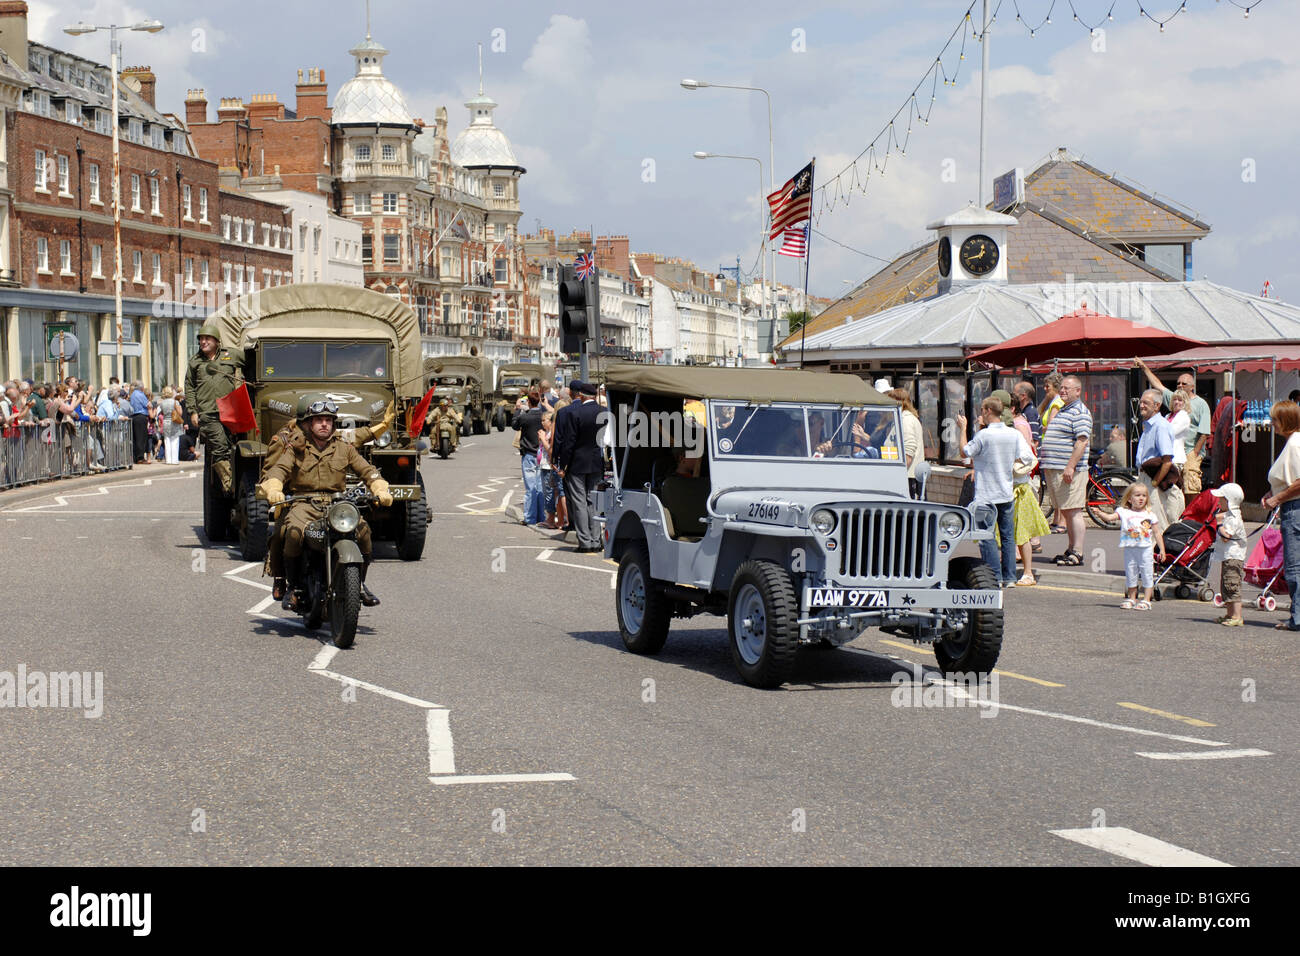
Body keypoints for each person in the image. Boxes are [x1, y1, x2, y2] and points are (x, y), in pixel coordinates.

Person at [257, 395, 393, 610]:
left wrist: (380, 488)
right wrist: (274, 487)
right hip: (304, 502)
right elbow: (279, 469)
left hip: (336, 503)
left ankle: (358, 584)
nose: (324, 424)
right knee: (293, 534)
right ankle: (295, 587)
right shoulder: (296, 447)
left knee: (364, 532)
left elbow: (367, 470)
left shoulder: (344, 447)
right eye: (319, 420)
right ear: (308, 424)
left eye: (328, 420)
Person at [958, 396, 1034, 588]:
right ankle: (1009, 577)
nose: (981, 413)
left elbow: (964, 452)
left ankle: (994, 577)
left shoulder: (984, 436)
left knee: (987, 536)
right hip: (1006, 491)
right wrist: (1008, 465)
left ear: (988, 411)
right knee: (1008, 537)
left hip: (986, 495)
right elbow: (1027, 457)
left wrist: (962, 428)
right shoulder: (1013, 434)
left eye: (982, 409)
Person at [185, 321, 247, 494]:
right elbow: (189, 387)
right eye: (201, 339)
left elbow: (250, 362)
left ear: (217, 341)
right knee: (220, 446)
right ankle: (229, 484)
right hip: (207, 412)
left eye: (207, 339)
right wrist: (192, 411)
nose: (203, 342)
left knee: (230, 446)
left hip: (229, 410)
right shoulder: (195, 362)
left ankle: (236, 481)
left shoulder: (230, 355)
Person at [1137, 361, 1211, 497]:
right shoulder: (1173, 401)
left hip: (1190, 451)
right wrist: (1144, 367)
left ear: (1192, 386)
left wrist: (1194, 454)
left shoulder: (1201, 404)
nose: (1180, 386)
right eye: (1178, 383)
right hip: (1172, 452)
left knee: (1190, 484)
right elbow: (1157, 385)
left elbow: (1204, 433)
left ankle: (1191, 515)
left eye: (1184, 384)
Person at [1041, 375, 1092, 566]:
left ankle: (1077, 551)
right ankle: (1071, 549)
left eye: (1066, 389)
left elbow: (1082, 440)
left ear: (1077, 391)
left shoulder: (1079, 411)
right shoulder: (1063, 409)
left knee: (1073, 511)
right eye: (1061, 388)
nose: (1062, 391)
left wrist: (1070, 466)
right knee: (1067, 511)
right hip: (1056, 468)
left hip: (1070, 470)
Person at [555, 381, 605, 553]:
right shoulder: (604, 412)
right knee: (594, 502)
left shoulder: (575, 413)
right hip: (597, 463)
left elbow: (569, 443)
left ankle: (584, 542)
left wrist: (563, 465)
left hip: (577, 464)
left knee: (579, 502)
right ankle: (596, 540)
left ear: (581, 395)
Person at [1264, 400, 1300, 631]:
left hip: (1295, 509)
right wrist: (1272, 493)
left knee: (1295, 567)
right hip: (1291, 506)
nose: (1272, 423)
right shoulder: (1293, 443)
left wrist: (1277, 498)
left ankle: (1298, 617)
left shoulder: (1295, 445)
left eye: (1275, 419)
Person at [1102, 482, 1166, 611]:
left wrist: (1162, 550)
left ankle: (1147, 599)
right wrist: (1098, 513)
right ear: (1130, 499)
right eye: (1137, 495)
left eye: (1144, 495)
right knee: (1131, 572)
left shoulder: (1150, 515)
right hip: (1130, 548)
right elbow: (1109, 518)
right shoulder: (1124, 512)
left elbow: (1157, 533)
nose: (1141, 498)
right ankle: (1132, 598)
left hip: (1145, 548)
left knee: (1147, 573)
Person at [1007, 390, 1049, 583]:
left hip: (1020, 486)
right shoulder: (1009, 427)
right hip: (1008, 488)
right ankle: (1008, 569)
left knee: (1022, 532)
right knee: (1008, 532)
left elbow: (1028, 456)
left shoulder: (1018, 426)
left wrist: (1012, 463)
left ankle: (1028, 573)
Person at [1135, 388, 1184, 532]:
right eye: (1141, 402)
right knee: (1145, 522)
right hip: (1145, 477)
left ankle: (1157, 553)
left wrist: (1155, 482)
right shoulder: (1149, 425)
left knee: (1156, 523)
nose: (1141, 405)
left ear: (1157, 406)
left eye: (1146, 403)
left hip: (1153, 479)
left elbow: (1167, 460)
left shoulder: (1161, 426)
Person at [1209, 483, 1248, 627]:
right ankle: (1230, 614)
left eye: (1221, 499)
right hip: (1228, 556)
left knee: (1232, 585)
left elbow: (1226, 536)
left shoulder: (1233, 518)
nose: (1218, 502)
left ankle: (1237, 616)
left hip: (1233, 557)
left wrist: (1219, 524)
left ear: (1229, 501)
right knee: (1226, 585)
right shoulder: (1229, 515)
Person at [512, 391, 545, 525]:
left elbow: (514, 425)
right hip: (542, 454)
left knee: (530, 488)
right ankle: (541, 517)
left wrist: (518, 409)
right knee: (540, 488)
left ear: (529, 403)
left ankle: (530, 518)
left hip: (529, 455)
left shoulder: (525, 417)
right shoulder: (543, 416)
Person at [887, 388, 925, 498]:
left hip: (907, 478)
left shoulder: (906, 421)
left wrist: (898, 474)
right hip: (905, 476)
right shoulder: (901, 419)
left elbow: (909, 449)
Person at [128, 380, 151, 464]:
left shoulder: (132, 394)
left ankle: (135, 457)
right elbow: (148, 405)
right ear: (141, 387)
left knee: (135, 438)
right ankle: (140, 458)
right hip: (141, 416)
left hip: (134, 416)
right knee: (141, 438)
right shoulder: (140, 394)